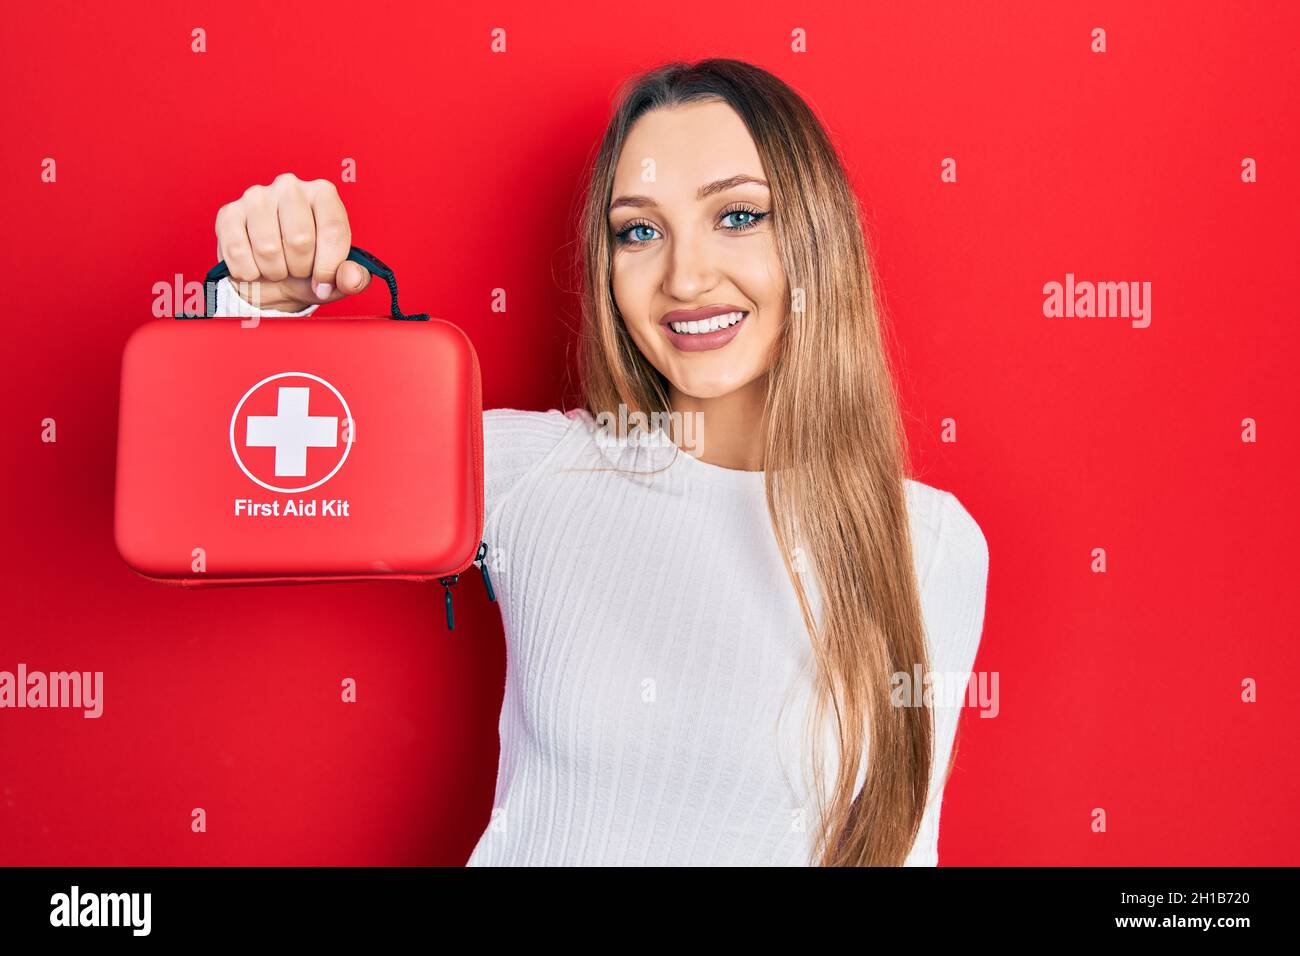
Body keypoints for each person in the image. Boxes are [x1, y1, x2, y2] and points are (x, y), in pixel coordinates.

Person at [208, 58, 989, 866]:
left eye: (738, 216)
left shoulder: (933, 545)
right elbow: (226, 486)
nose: (685, 276)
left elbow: (904, 846)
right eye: (639, 231)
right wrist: (256, 310)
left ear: (819, 237)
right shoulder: (530, 473)